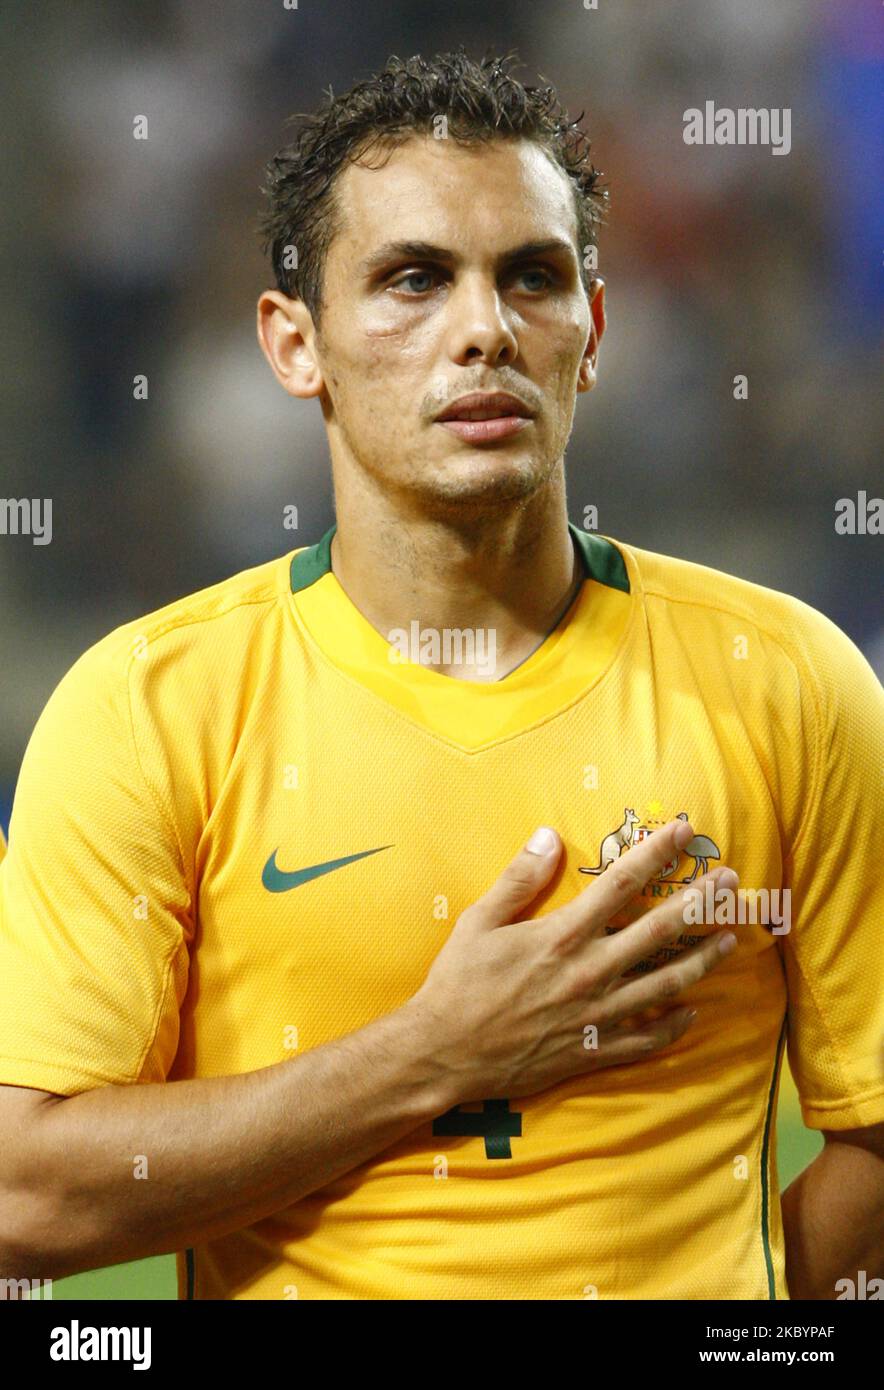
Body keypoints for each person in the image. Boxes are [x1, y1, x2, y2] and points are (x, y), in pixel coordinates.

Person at [0, 51, 881, 1301]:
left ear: (592, 334)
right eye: (413, 279)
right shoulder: (144, 708)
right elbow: (22, 1201)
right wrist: (436, 1051)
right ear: (293, 345)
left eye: (532, 276)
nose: (483, 327)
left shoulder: (790, 680)